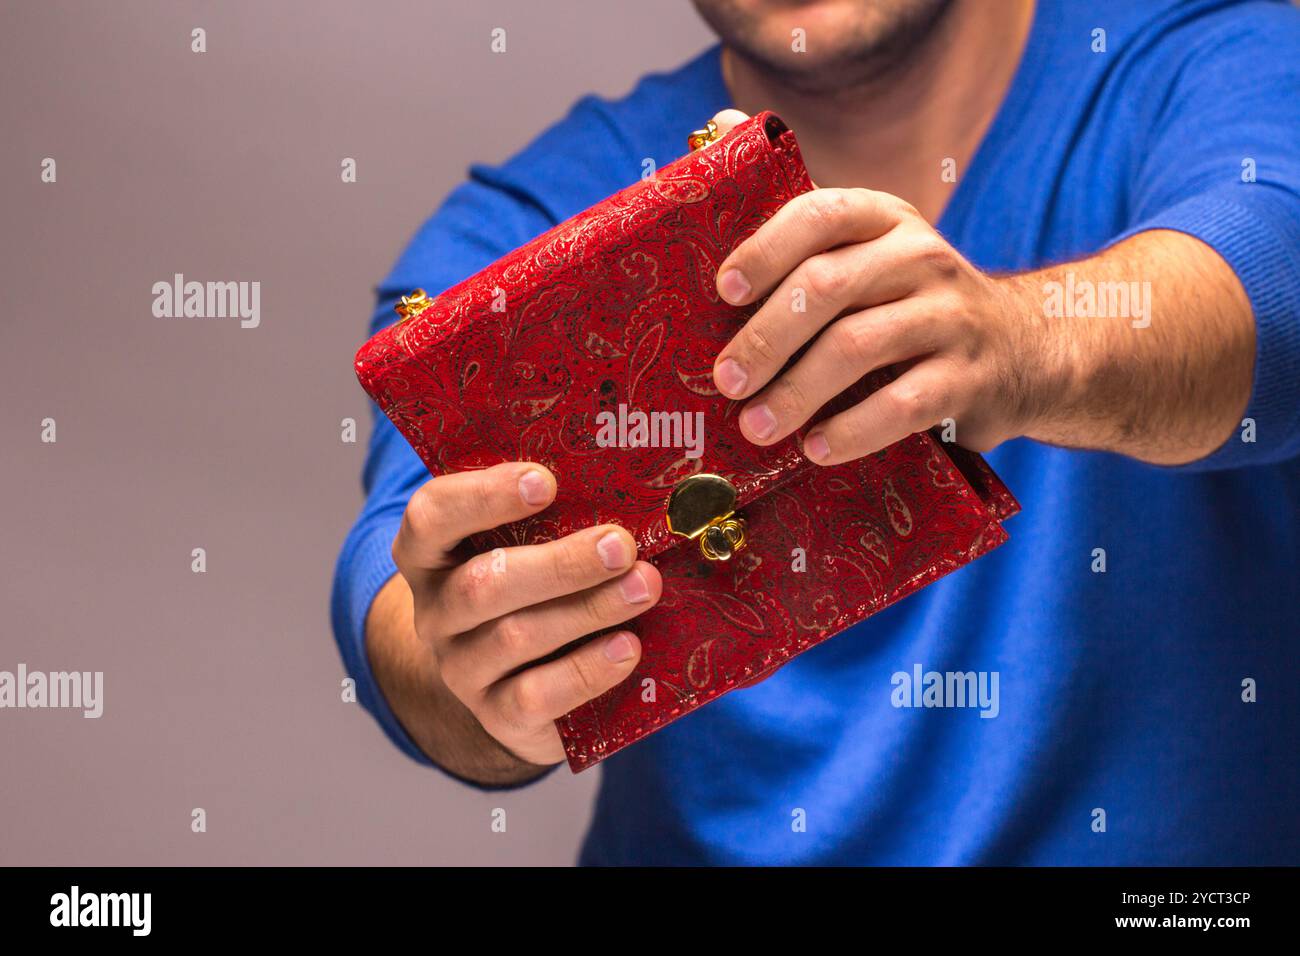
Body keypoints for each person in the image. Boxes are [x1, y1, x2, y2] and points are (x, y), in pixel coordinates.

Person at [332, 0, 1300, 864]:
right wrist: (475, 674)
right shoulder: (522, 225)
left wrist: (1022, 340)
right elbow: (393, 589)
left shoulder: (1206, 49)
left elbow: (1275, 284)